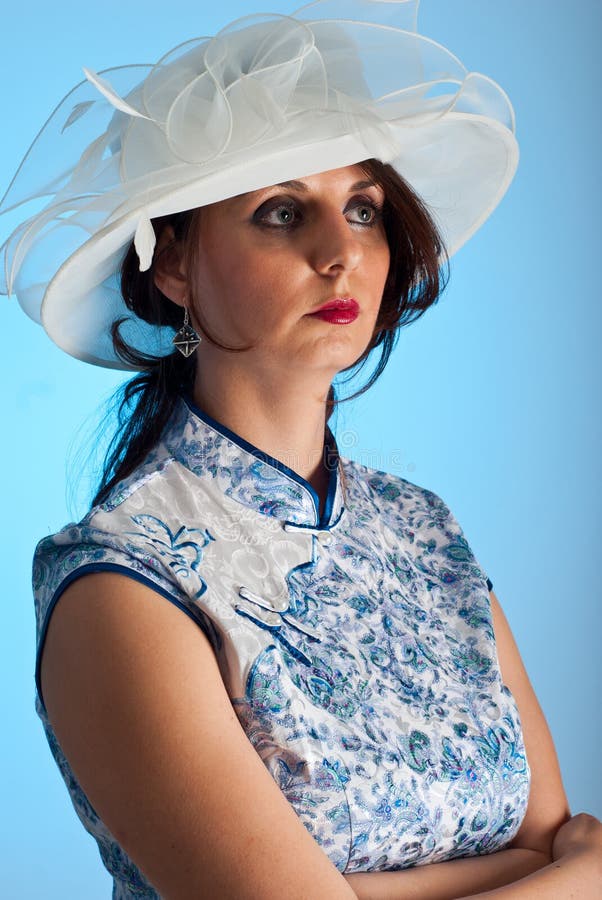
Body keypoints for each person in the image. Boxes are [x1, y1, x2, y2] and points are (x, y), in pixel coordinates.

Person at [2, 3, 601, 898]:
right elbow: (574, 858)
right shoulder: (123, 583)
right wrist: (570, 878)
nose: (341, 253)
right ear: (173, 266)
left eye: (362, 208)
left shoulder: (422, 528)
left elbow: (548, 830)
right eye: (282, 212)